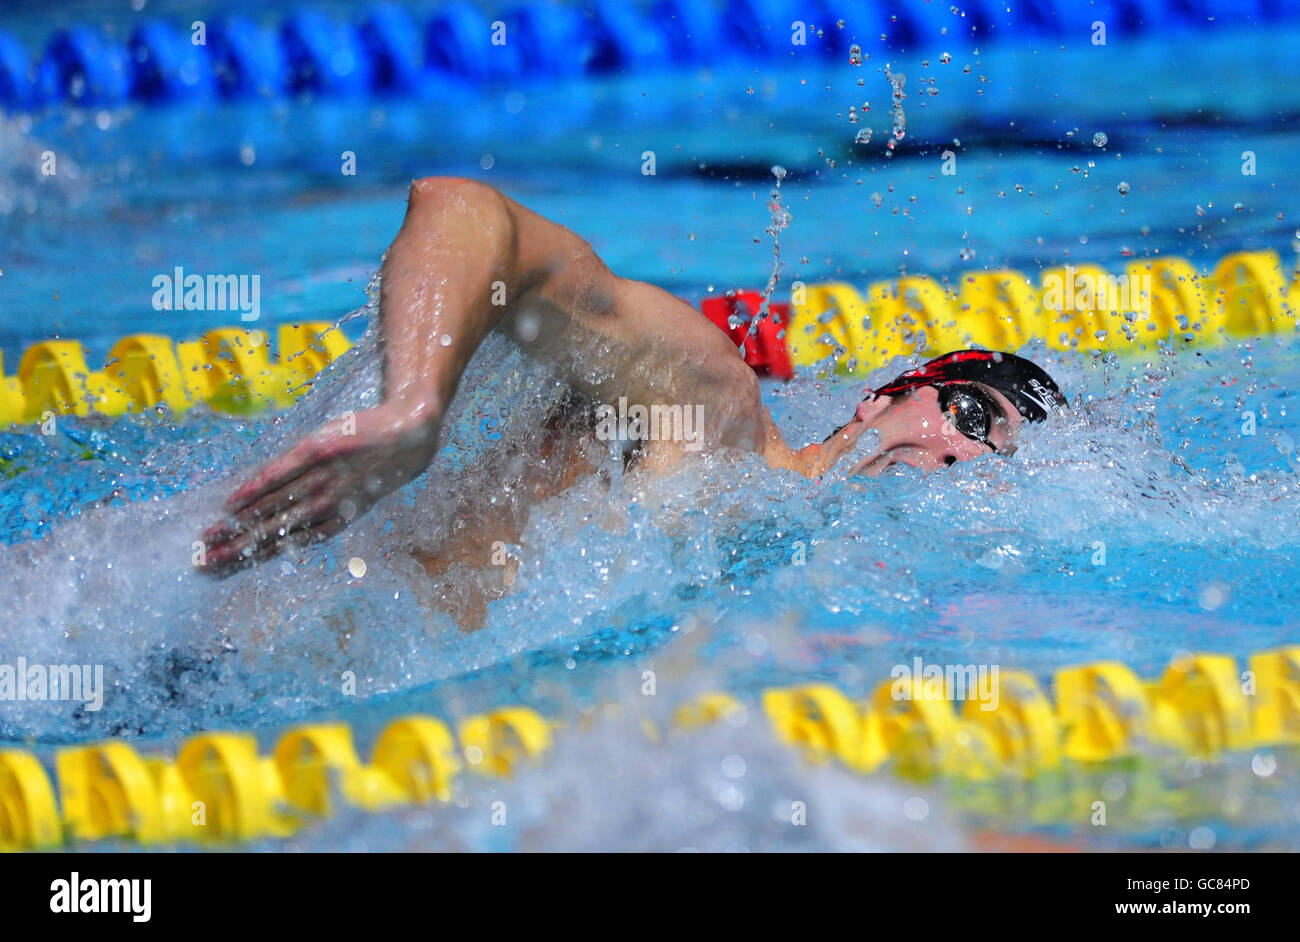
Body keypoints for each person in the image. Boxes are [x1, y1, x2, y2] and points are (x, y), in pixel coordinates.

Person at [199, 177, 1067, 575]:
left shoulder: (802, 587)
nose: (964, 454)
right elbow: (463, 209)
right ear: (884, 395)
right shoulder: (716, 410)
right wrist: (412, 409)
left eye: (1000, 460)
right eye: (969, 413)